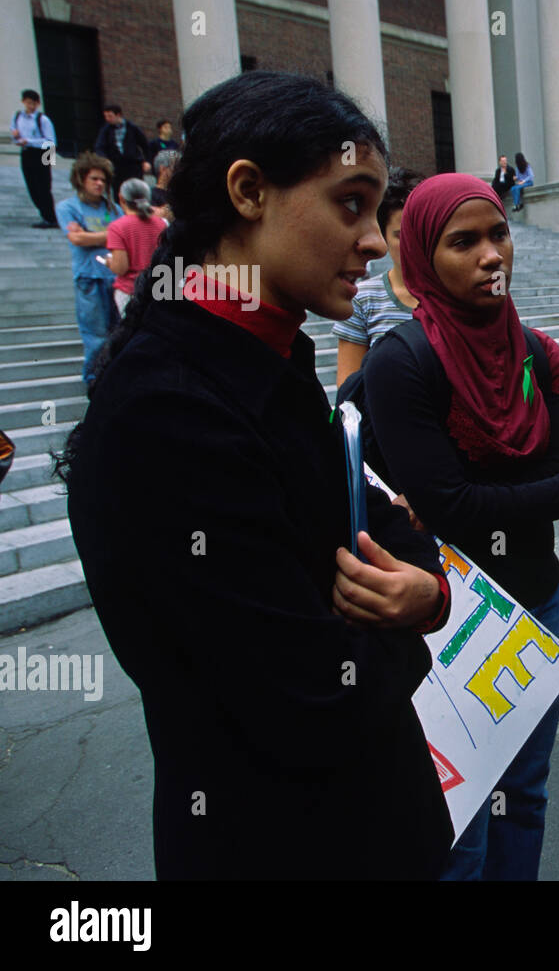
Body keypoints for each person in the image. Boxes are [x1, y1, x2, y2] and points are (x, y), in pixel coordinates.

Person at [57, 70, 456, 879]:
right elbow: (316, 700)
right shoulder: (165, 413)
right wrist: (413, 626)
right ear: (248, 191)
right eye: (351, 202)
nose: (377, 240)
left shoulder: (267, 352)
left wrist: (428, 589)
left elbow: (377, 523)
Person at [363, 173, 559, 881]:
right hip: (447, 615)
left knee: (524, 792)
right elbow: (458, 507)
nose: (491, 255)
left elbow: (549, 467)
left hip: (536, 603)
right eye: (463, 242)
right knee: (457, 819)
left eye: (498, 235)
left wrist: (548, 487)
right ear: (422, 258)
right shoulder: (400, 361)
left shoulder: (539, 351)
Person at [334, 167, 424, 384]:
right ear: (383, 236)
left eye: (422, 233)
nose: (414, 246)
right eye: (401, 236)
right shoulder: (363, 299)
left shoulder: (456, 293)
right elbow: (348, 388)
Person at [55, 151, 123, 385]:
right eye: (94, 178)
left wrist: (90, 235)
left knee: (118, 331)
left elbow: (123, 235)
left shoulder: (113, 208)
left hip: (115, 277)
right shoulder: (68, 207)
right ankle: (93, 378)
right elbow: (77, 239)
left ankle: (112, 375)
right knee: (95, 334)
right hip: (89, 278)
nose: (99, 183)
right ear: (81, 178)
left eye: (103, 180)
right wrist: (111, 235)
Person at [105, 177, 167, 317]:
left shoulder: (117, 227)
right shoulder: (161, 224)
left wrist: (109, 262)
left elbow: (121, 267)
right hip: (157, 289)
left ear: (121, 198)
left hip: (129, 291)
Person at [10, 89, 58, 227]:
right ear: (23, 102)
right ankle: (44, 214)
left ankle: (50, 217)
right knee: (31, 185)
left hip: (44, 151)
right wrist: (17, 138)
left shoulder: (43, 119)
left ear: (37, 104)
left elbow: (51, 142)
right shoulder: (17, 116)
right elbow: (15, 134)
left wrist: (29, 141)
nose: (30, 106)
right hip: (26, 151)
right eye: (27, 103)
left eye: (33, 103)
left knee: (44, 185)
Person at [94, 104, 151, 197]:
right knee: (118, 192)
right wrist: (104, 159)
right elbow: (99, 147)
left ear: (118, 115)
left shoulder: (132, 128)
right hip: (116, 166)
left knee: (137, 191)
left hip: (133, 165)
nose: (107, 119)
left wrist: (147, 161)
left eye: (110, 116)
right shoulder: (106, 130)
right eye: (106, 116)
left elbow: (145, 145)